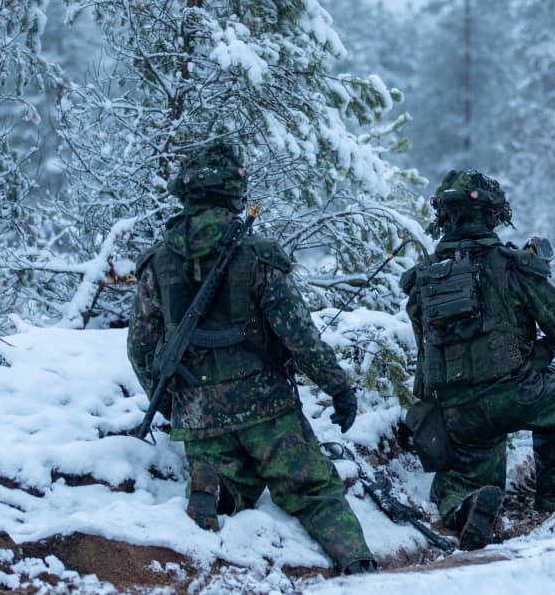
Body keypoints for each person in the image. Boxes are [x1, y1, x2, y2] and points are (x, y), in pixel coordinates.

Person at [126, 143, 377, 574]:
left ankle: (213, 489)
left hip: (199, 414)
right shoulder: (257, 254)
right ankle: (357, 566)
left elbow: (141, 346)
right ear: (234, 191)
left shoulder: (157, 262)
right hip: (267, 408)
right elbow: (298, 335)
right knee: (313, 489)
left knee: (232, 484)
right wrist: (338, 387)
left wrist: (169, 401)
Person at [401, 169, 555, 551]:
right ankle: (551, 492)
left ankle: (469, 504)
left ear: (445, 217)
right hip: (517, 395)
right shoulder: (512, 265)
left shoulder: (424, 279)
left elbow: (425, 356)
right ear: (493, 214)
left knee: (461, 480)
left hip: (460, 412)